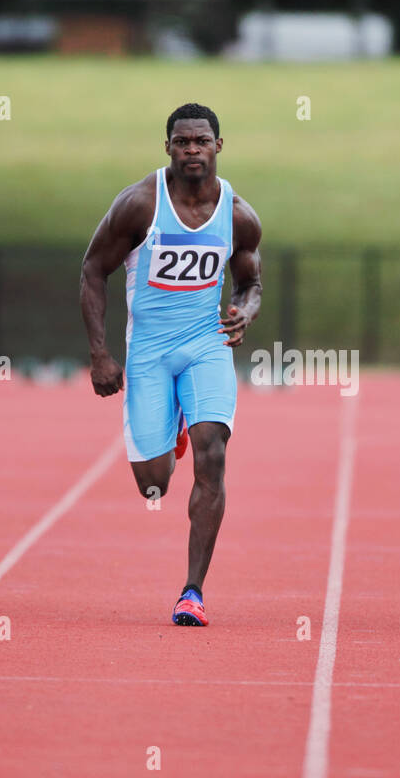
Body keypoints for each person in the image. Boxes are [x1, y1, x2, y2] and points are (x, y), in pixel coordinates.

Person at [80, 103, 263, 626]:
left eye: (201, 141)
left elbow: (251, 282)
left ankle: (192, 592)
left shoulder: (238, 214)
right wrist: (100, 353)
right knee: (154, 484)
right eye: (181, 142)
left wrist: (244, 313)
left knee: (214, 455)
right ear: (167, 148)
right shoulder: (140, 204)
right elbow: (93, 269)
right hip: (149, 353)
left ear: (218, 147)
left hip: (207, 345)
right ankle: (174, 428)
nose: (191, 150)